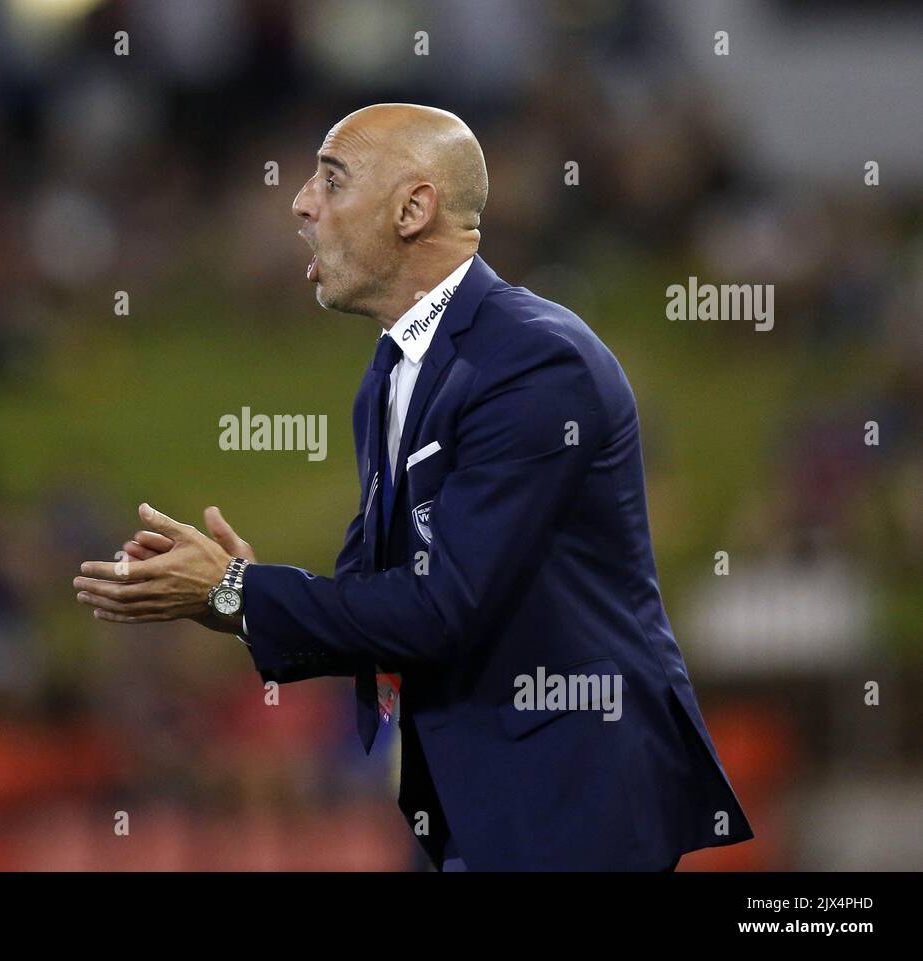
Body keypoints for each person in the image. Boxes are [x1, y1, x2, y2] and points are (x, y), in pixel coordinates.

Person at [73, 103, 753, 871]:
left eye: (331, 179)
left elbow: (442, 609)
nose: (300, 202)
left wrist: (237, 589)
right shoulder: (391, 377)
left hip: (569, 804)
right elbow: (383, 600)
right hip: (484, 805)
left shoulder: (533, 363)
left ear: (413, 208)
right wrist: (239, 595)